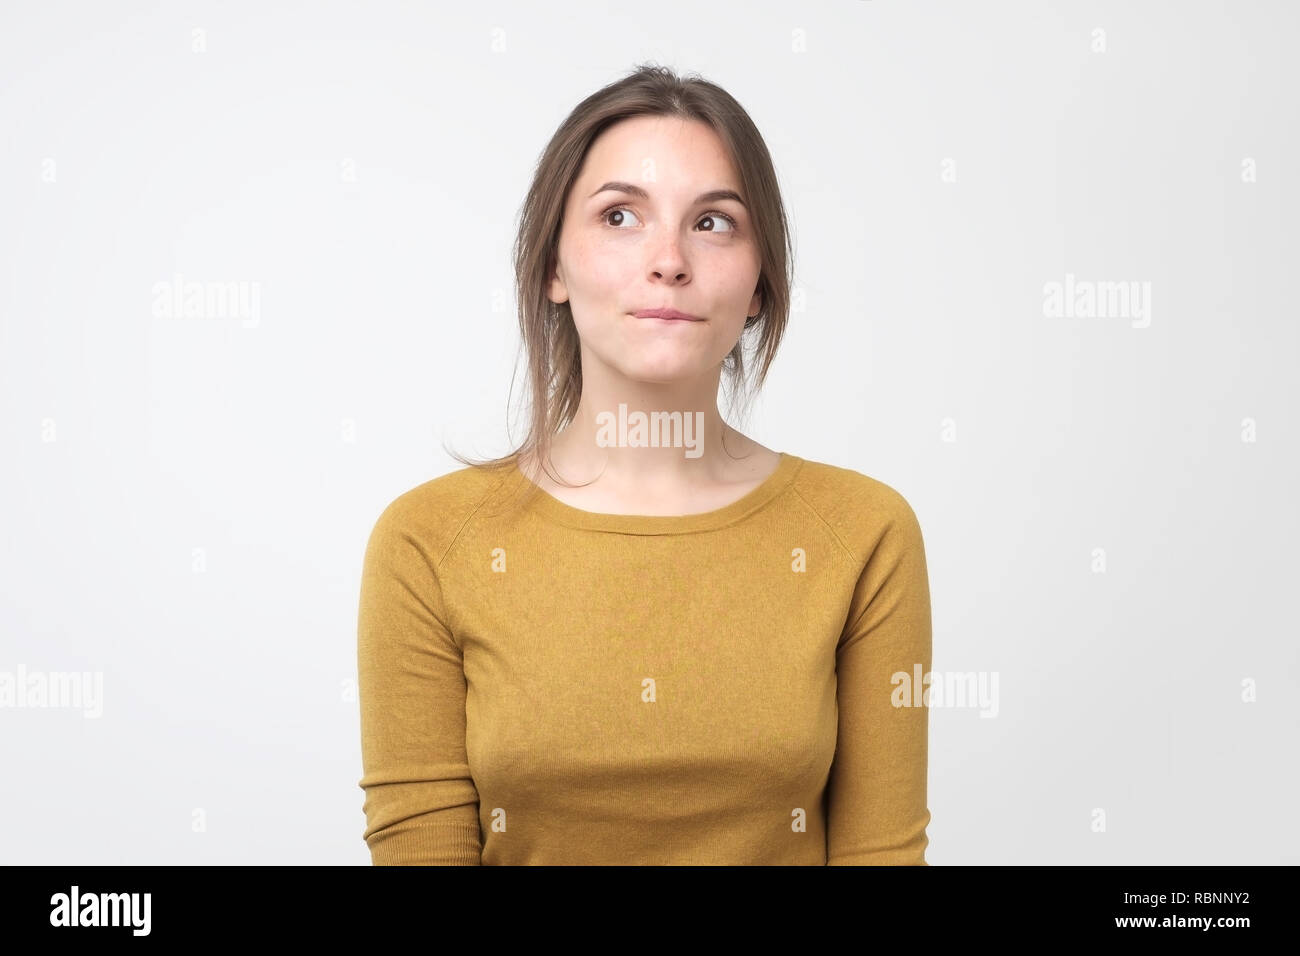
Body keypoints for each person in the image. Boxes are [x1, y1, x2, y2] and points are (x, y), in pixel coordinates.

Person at [356, 63, 933, 865]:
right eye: (621, 215)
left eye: (714, 222)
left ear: (761, 282)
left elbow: (884, 855)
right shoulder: (429, 540)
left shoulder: (864, 533)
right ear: (553, 266)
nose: (669, 260)